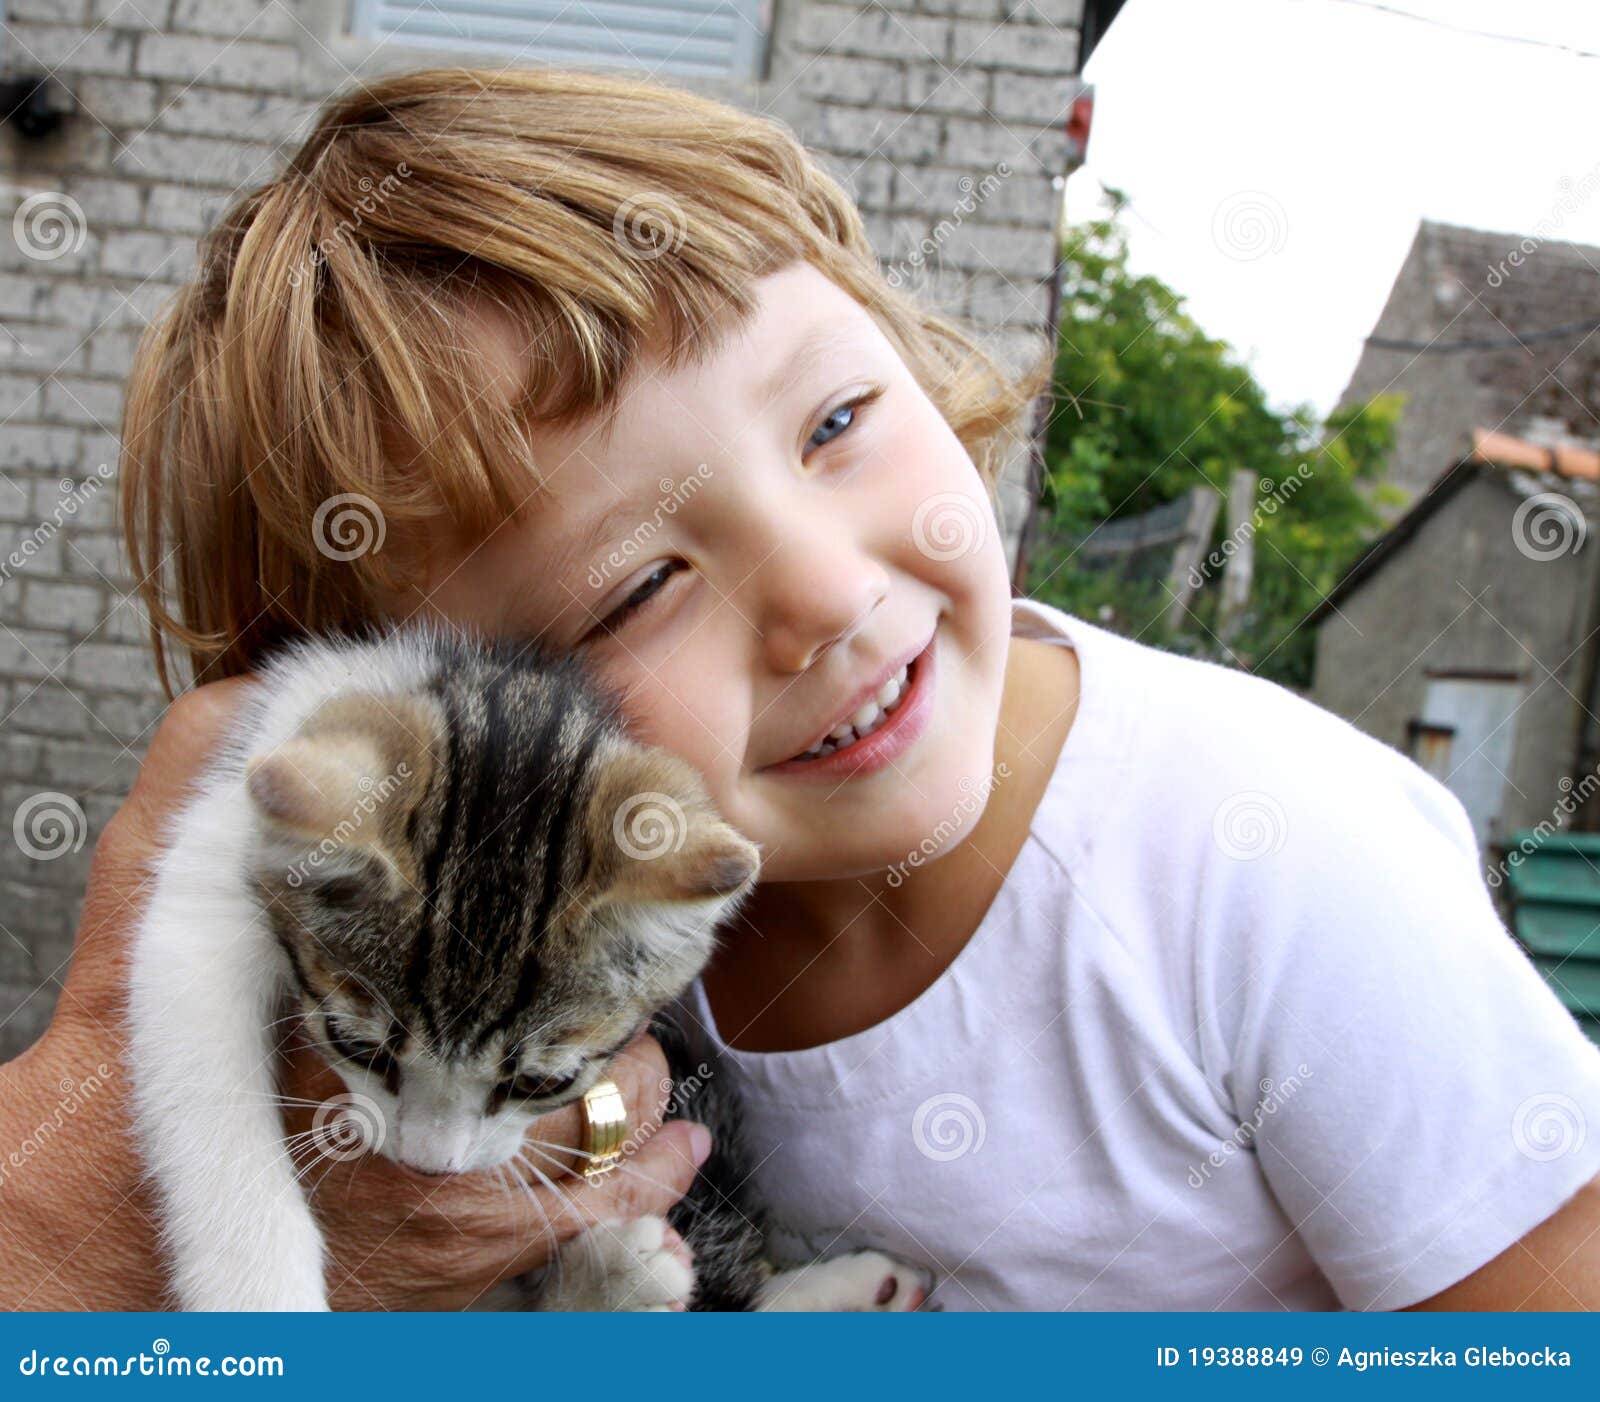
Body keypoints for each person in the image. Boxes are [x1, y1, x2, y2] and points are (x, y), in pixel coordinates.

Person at [10, 64, 1600, 1310]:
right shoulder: (556, 944)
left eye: (838, 419)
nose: (836, 594)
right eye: (636, 586)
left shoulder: (1269, 861)